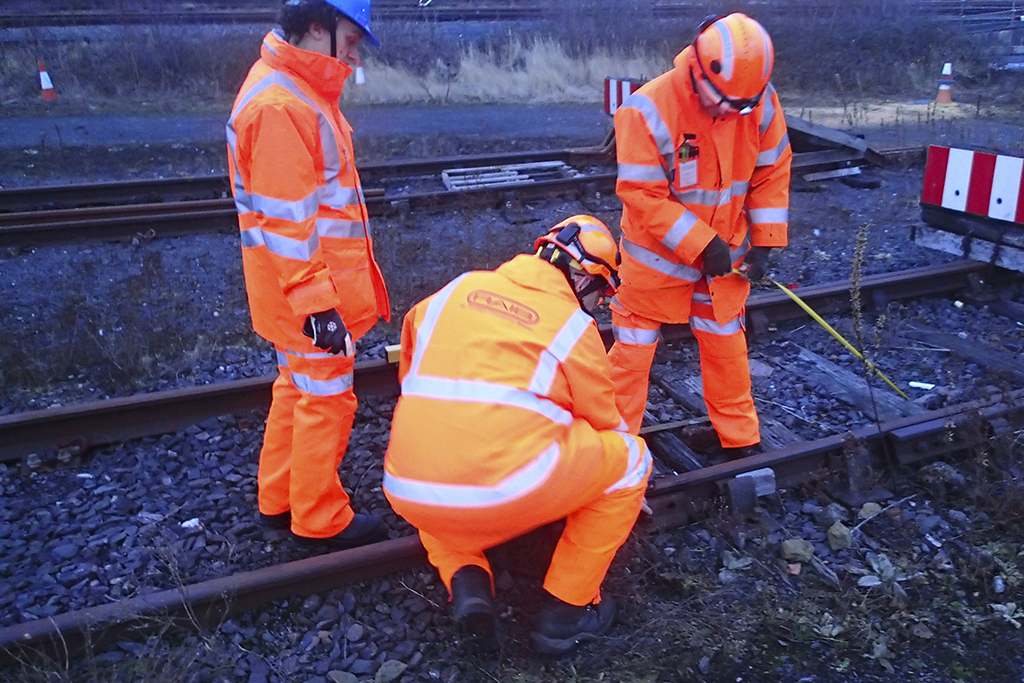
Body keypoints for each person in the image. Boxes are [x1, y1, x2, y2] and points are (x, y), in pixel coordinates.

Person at [382, 216, 652, 655]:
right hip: (503, 489)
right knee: (631, 459)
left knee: (442, 467)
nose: (599, 304)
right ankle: (566, 612)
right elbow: (603, 420)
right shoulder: (572, 327)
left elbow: (412, 366)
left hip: (405, 485)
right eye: (601, 293)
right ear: (584, 279)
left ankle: (466, 579)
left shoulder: (453, 290)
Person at [225, 0, 390, 549]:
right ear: (318, 27)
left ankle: (278, 500)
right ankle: (319, 520)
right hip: (311, 296)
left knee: (296, 389)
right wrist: (318, 306)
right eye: (352, 39)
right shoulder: (282, 104)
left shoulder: (295, 89)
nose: (355, 53)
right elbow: (286, 221)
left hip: (297, 291)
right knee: (325, 398)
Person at [608, 13, 791, 458]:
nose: (733, 113)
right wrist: (702, 243)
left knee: (726, 343)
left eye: (742, 106)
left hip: (725, 257)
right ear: (698, 70)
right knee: (632, 353)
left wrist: (766, 241)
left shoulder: (758, 101)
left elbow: (772, 170)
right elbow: (642, 194)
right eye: (724, 103)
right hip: (655, 263)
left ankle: (739, 438)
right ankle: (611, 447)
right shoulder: (646, 109)